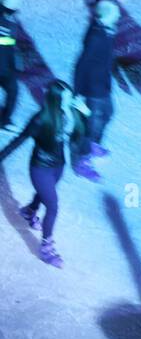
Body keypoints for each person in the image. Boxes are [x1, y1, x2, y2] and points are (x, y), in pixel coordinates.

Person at [0, 80, 89, 267]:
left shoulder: (69, 114)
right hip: (40, 168)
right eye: (66, 99)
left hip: (58, 166)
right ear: (56, 100)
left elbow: (79, 137)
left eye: (70, 98)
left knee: (45, 195)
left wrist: (84, 114)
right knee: (53, 206)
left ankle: (29, 211)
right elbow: (19, 140)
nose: (70, 101)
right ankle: (46, 248)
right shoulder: (40, 120)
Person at [72, 0, 120, 179]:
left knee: (108, 113)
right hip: (93, 87)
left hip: (104, 83)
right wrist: (76, 92)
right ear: (108, 16)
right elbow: (81, 64)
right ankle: (83, 161)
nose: (118, 16)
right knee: (92, 124)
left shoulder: (107, 30)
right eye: (116, 14)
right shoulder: (96, 36)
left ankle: (93, 144)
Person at [0, 0, 21, 128]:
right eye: (16, 0)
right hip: (3, 65)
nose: (18, 2)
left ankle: (5, 120)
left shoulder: (9, 15)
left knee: (13, 91)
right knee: (12, 90)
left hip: (6, 63)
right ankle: (4, 121)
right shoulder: (5, 19)